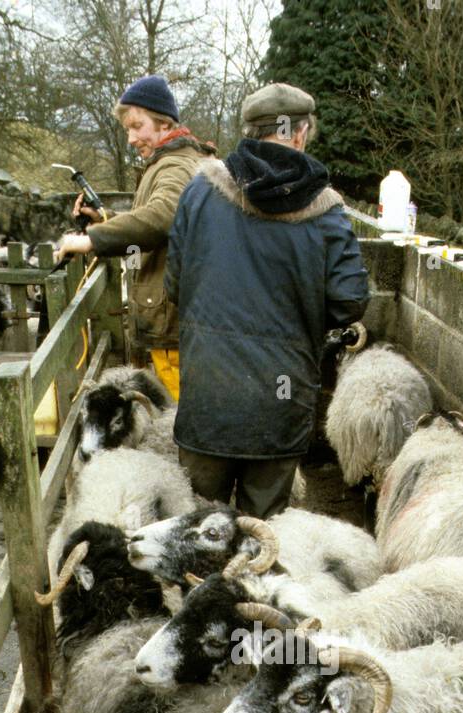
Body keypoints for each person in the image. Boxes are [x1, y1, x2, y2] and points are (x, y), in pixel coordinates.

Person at [164, 82, 369, 518]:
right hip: (280, 405)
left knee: (199, 530)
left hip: (209, 399)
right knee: (261, 540)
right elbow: (349, 300)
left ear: (250, 132)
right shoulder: (327, 211)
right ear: (299, 134)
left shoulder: (200, 192)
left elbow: (174, 284)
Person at [56, 76, 212, 399]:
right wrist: (105, 220)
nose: (130, 138)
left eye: (136, 126)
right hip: (179, 323)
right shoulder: (179, 161)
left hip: (174, 331)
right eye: (127, 129)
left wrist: (92, 240)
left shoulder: (175, 166)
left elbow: (163, 216)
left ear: (163, 121)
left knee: (183, 422)